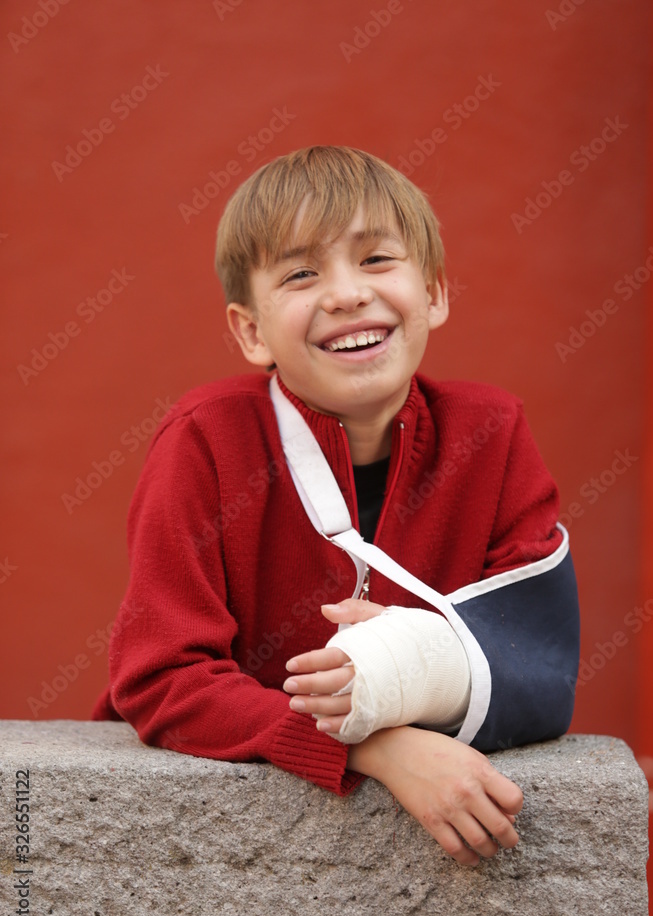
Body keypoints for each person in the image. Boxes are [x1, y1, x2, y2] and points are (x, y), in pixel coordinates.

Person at [92, 145, 579, 868]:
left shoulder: (493, 432)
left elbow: (536, 667)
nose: (347, 294)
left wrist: (409, 663)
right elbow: (162, 676)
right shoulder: (205, 440)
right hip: (203, 849)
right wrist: (375, 744)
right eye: (300, 273)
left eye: (377, 260)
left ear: (436, 293)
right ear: (252, 331)